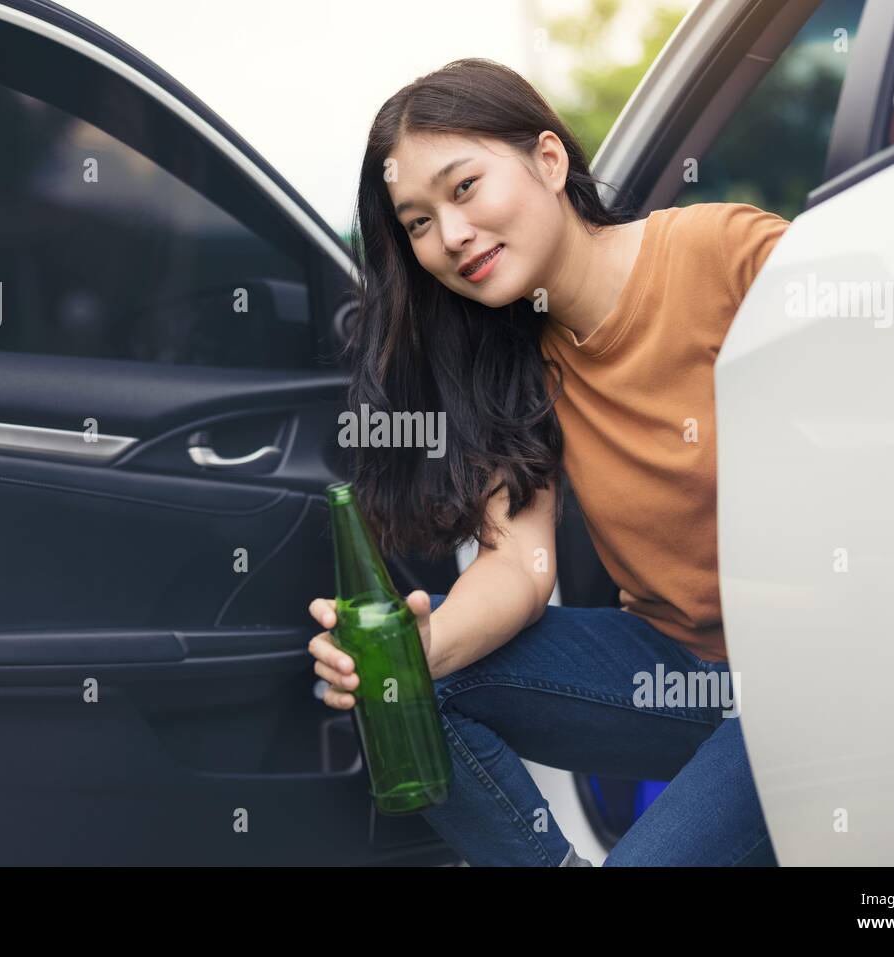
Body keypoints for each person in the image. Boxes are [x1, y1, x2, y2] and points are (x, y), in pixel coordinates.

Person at [308, 57, 787, 866]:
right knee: (423, 683)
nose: (450, 236)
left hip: (817, 674)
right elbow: (520, 567)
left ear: (550, 161)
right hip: (682, 677)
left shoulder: (722, 253)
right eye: (417, 223)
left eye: (463, 188)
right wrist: (409, 652)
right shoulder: (515, 360)